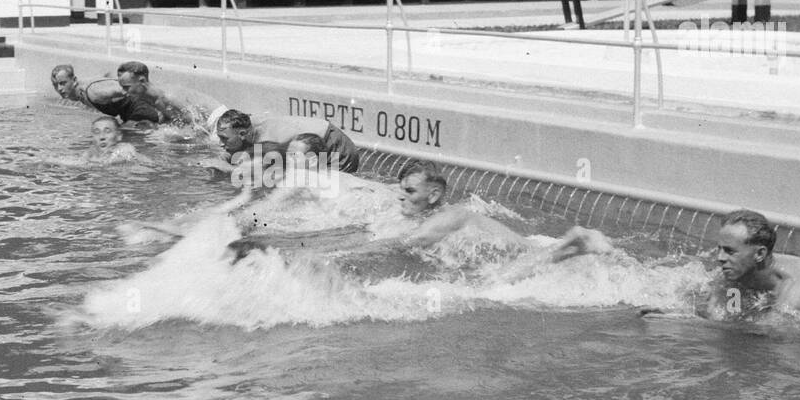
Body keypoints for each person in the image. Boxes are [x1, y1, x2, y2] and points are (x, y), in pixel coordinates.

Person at [230, 160, 609, 263]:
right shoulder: (430, 216)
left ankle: (575, 240)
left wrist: (311, 256)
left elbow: (386, 248)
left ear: (434, 195)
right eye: (400, 190)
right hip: (521, 243)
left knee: (506, 280)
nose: (400, 197)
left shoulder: (445, 220)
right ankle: (574, 241)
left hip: (526, 251)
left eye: (409, 191)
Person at [213, 107, 360, 174]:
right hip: (319, 139)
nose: (220, 143)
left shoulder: (269, 141)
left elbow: (262, 172)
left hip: (336, 147)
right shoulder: (248, 122)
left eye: (224, 139)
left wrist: (229, 169)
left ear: (243, 134)